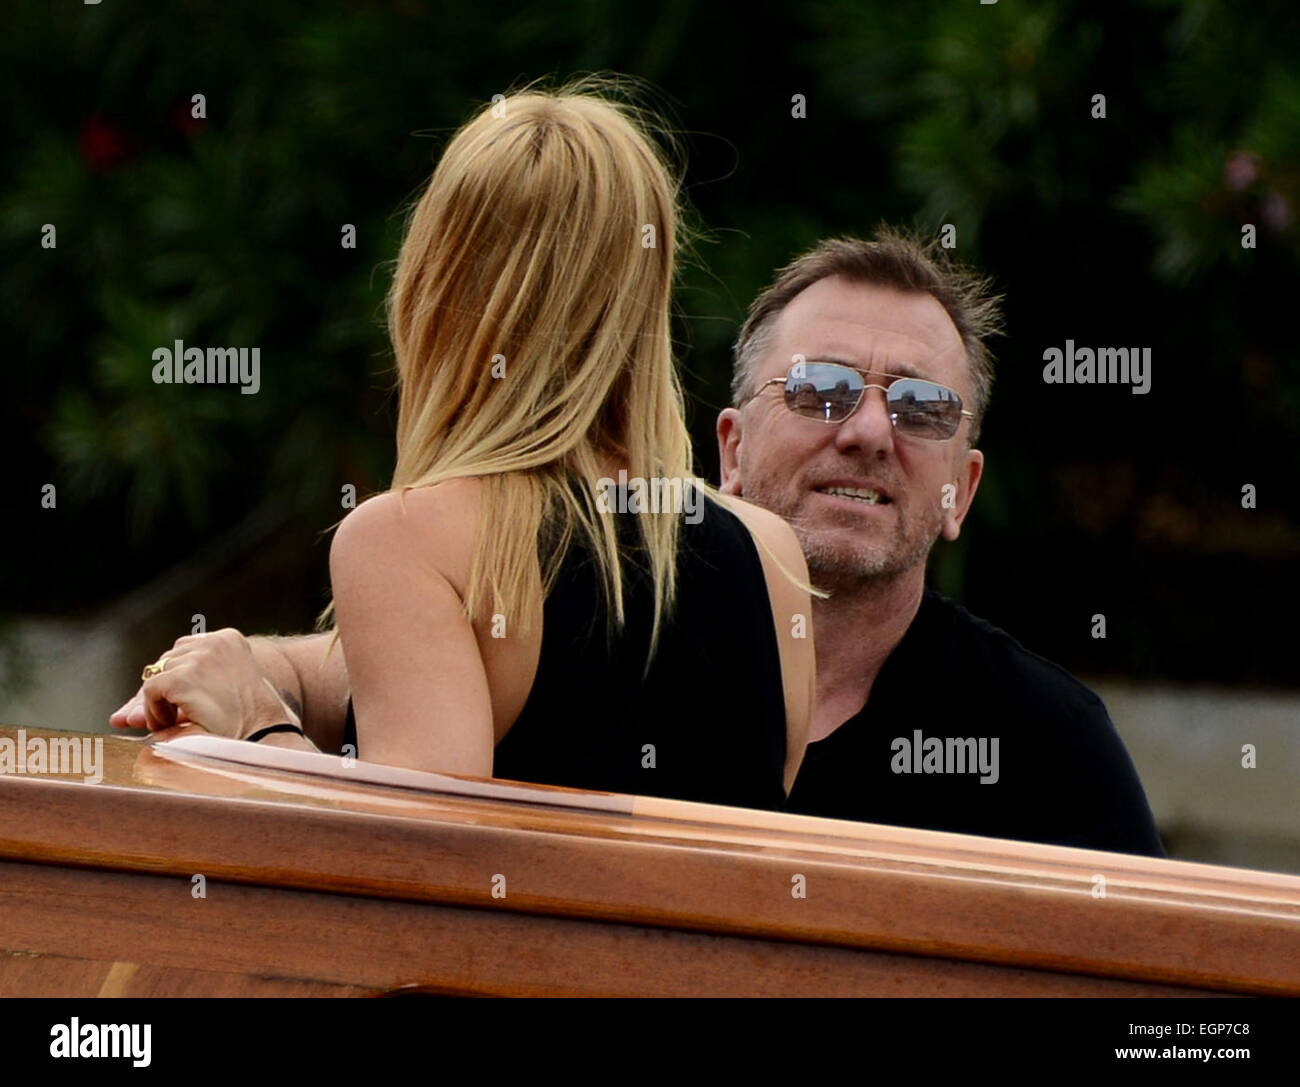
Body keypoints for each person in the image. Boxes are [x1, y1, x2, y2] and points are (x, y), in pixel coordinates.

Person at [114, 82, 815, 810]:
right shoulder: (769, 553)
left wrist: (255, 723)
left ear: (434, 284)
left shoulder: (408, 538)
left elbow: (419, 857)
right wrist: (259, 667)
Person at [717, 230, 1164, 856]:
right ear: (732, 452)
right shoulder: (617, 667)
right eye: (819, 388)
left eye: (921, 407)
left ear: (963, 487)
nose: (869, 432)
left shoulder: (1048, 748)